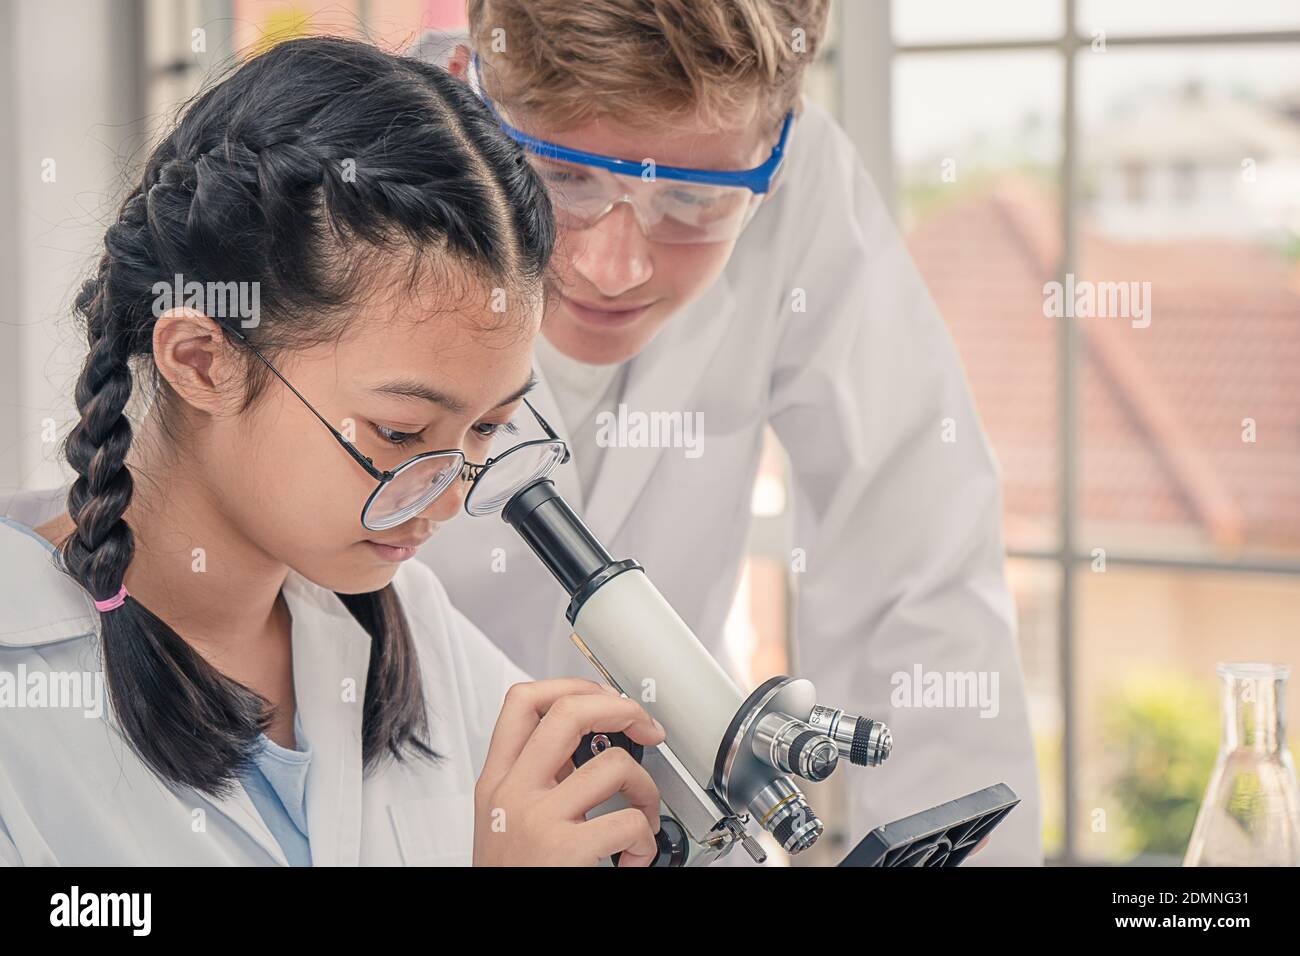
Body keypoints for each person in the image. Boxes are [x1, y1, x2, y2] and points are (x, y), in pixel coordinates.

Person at [0, 36, 667, 867]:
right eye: (399, 433)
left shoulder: (411, 623)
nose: (447, 501)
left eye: (488, 428)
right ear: (201, 362)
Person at [413, 0, 1044, 864]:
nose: (613, 267)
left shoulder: (796, 173)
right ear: (468, 86)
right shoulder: (350, 176)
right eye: (562, 176)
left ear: (778, 144)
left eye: (690, 197)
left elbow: (916, 561)